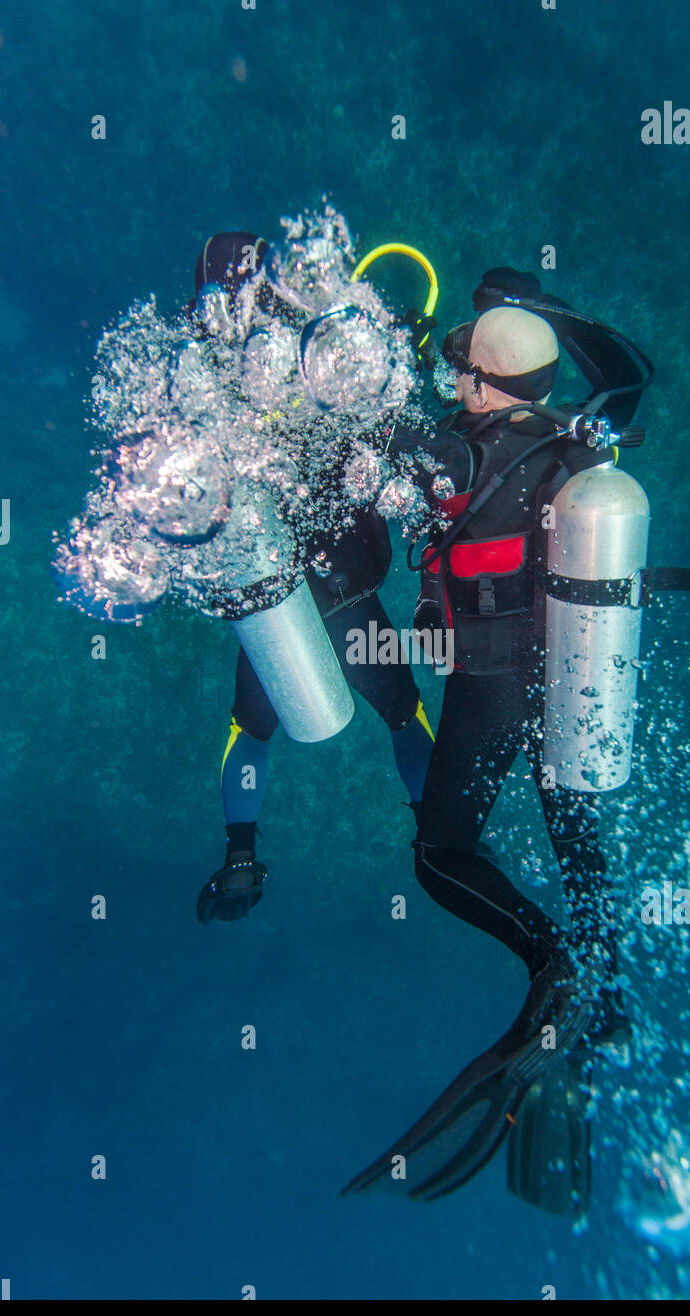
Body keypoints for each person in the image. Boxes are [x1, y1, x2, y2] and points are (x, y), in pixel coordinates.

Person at [345, 269, 650, 1204]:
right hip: (571, 665)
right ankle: (608, 990)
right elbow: (633, 370)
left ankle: (552, 962)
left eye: (465, 371)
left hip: (492, 682)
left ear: (481, 384)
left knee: (440, 855)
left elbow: (375, 440)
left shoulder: (455, 454)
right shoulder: (585, 432)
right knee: (574, 834)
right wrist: (544, 312)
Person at [191, 232, 435, 923]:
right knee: (402, 710)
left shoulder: (203, 368)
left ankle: (241, 853)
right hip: (347, 582)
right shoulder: (320, 342)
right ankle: (436, 831)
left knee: (253, 726)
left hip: (271, 588)